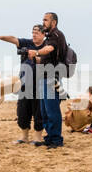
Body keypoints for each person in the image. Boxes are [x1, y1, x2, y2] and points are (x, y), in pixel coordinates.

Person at [0, 24, 46, 143]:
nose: (34, 35)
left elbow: (50, 62)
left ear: (43, 34)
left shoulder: (46, 47)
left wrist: (37, 58)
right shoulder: (27, 43)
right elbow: (13, 39)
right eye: (33, 32)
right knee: (22, 111)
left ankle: (37, 138)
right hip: (25, 83)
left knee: (39, 112)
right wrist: (0, 37)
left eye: (36, 33)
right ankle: (24, 137)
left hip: (40, 84)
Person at [29, 11, 67, 149]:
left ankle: (56, 140)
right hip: (44, 78)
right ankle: (50, 138)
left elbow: (49, 49)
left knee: (52, 111)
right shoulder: (49, 37)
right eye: (43, 19)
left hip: (52, 78)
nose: (43, 22)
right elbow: (44, 58)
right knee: (45, 111)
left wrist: (37, 52)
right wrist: (34, 57)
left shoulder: (56, 35)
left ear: (54, 22)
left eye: (46, 20)